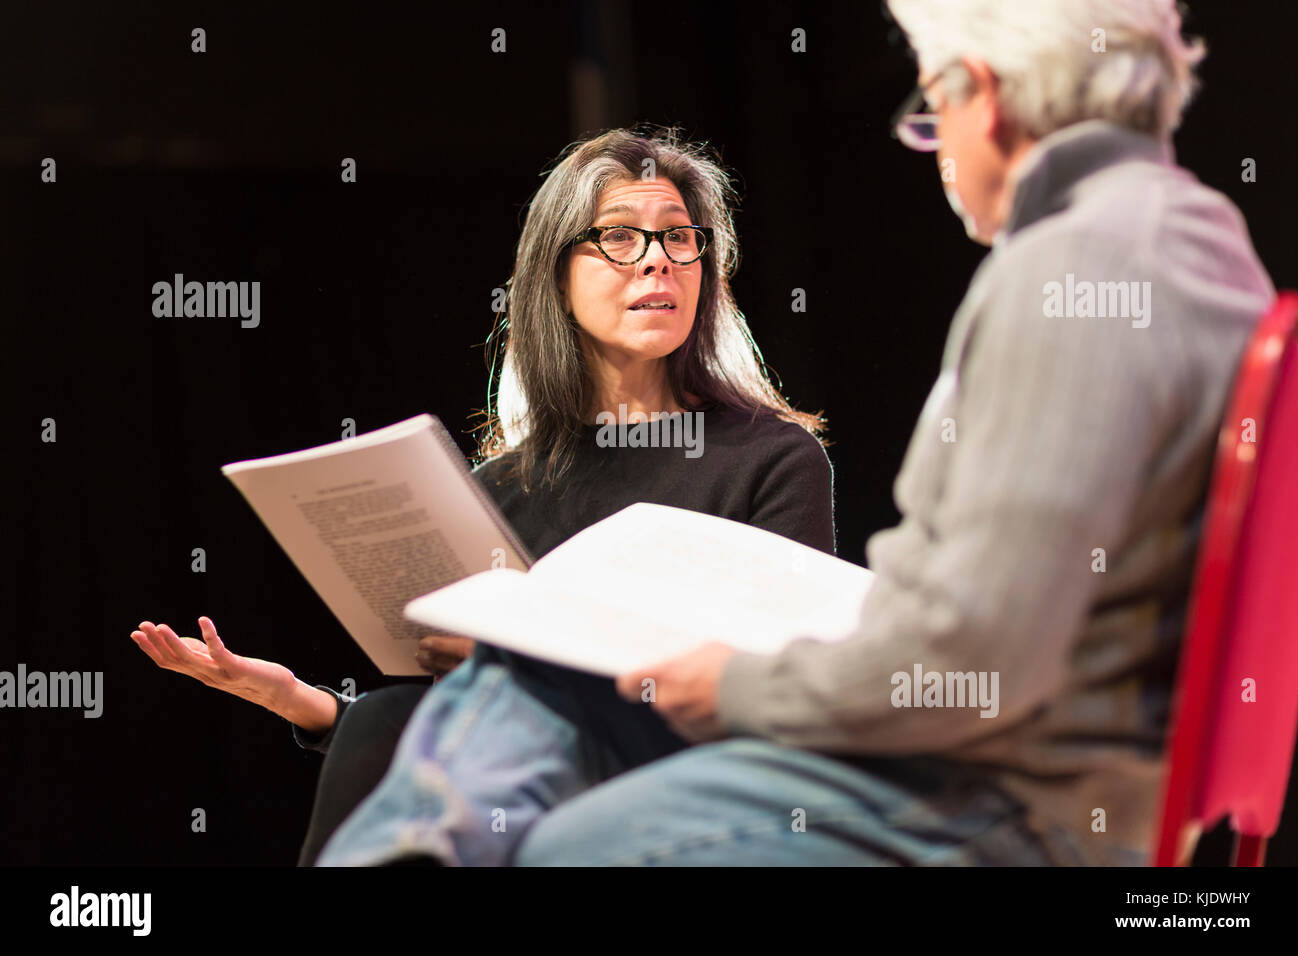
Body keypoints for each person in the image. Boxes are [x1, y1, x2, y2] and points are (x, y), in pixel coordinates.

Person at [509, 0, 1276, 867]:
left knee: (570, 842)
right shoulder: (1209, 241)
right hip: (1071, 785)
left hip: (1009, 806)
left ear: (979, 94)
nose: (934, 141)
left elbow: (971, 659)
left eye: (931, 112)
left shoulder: (1074, 270)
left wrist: (734, 686)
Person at [130, 125, 837, 866]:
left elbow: (771, 696)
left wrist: (527, 659)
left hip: (677, 771)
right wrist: (301, 702)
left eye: (679, 238)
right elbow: (452, 725)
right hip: (508, 777)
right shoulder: (500, 488)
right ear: (555, 279)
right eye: (620, 238)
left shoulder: (770, 458)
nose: (658, 259)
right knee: (387, 723)